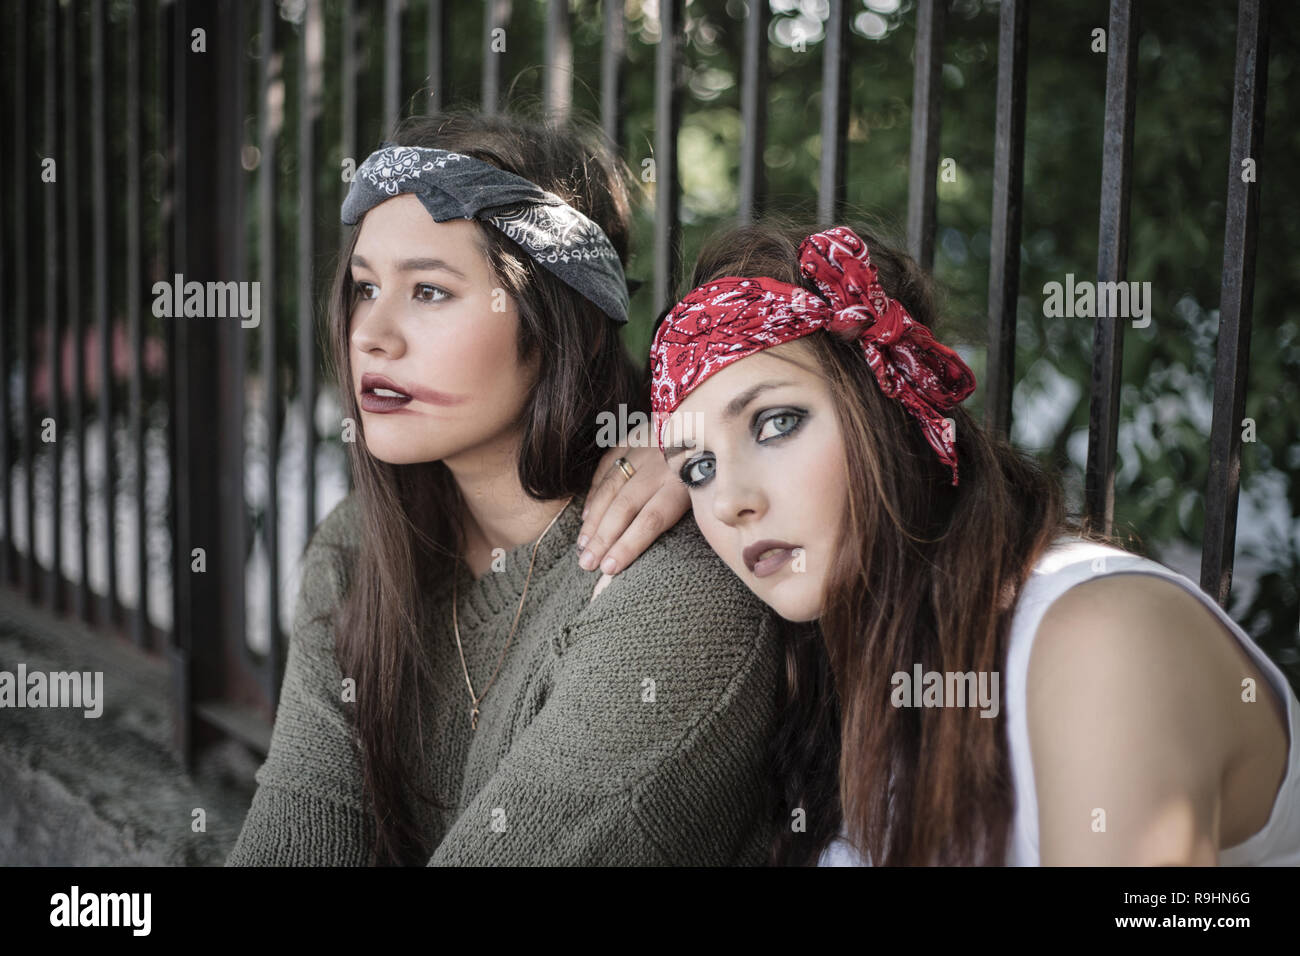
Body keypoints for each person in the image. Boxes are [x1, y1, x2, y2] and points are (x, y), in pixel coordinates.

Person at [225, 108, 785, 866]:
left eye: (429, 292)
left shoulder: (676, 588)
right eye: (363, 287)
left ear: (563, 323)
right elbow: (295, 838)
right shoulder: (359, 546)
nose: (370, 335)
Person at [646, 219, 1300, 866]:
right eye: (696, 468)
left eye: (775, 422)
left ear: (891, 409)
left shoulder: (1103, 633)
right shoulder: (835, 675)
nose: (731, 502)